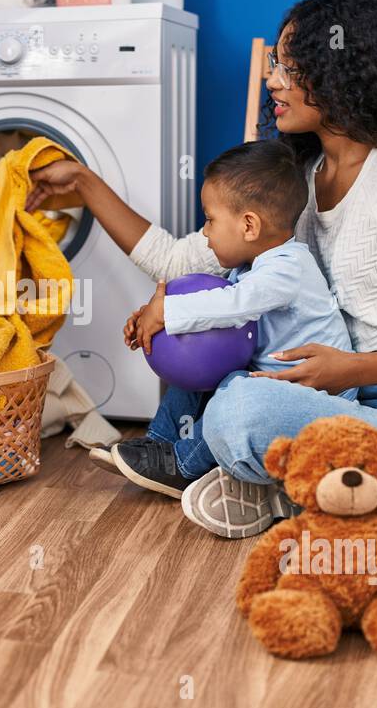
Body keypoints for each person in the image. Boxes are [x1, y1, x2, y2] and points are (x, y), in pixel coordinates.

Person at [26, 0, 377, 539]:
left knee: (243, 410)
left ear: (343, 72)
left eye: (289, 66)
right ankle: (293, 492)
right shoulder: (296, 184)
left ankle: (272, 487)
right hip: (329, 401)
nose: (272, 80)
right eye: (273, 65)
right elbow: (176, 259)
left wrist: (355, 369)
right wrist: (85, 184)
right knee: (222, 352)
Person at [104, 138, 355, 500]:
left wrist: (168, 312)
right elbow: (211, 310)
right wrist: (150, 318)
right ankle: (155, 446)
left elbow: (234, 304)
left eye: (209, 220)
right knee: (200, 377)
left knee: (234, 383)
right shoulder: (251, 266)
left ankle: (182, 467)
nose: (205, 232)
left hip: (321, 397)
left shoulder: (288, 268)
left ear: (249, 226)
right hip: (274, 383)